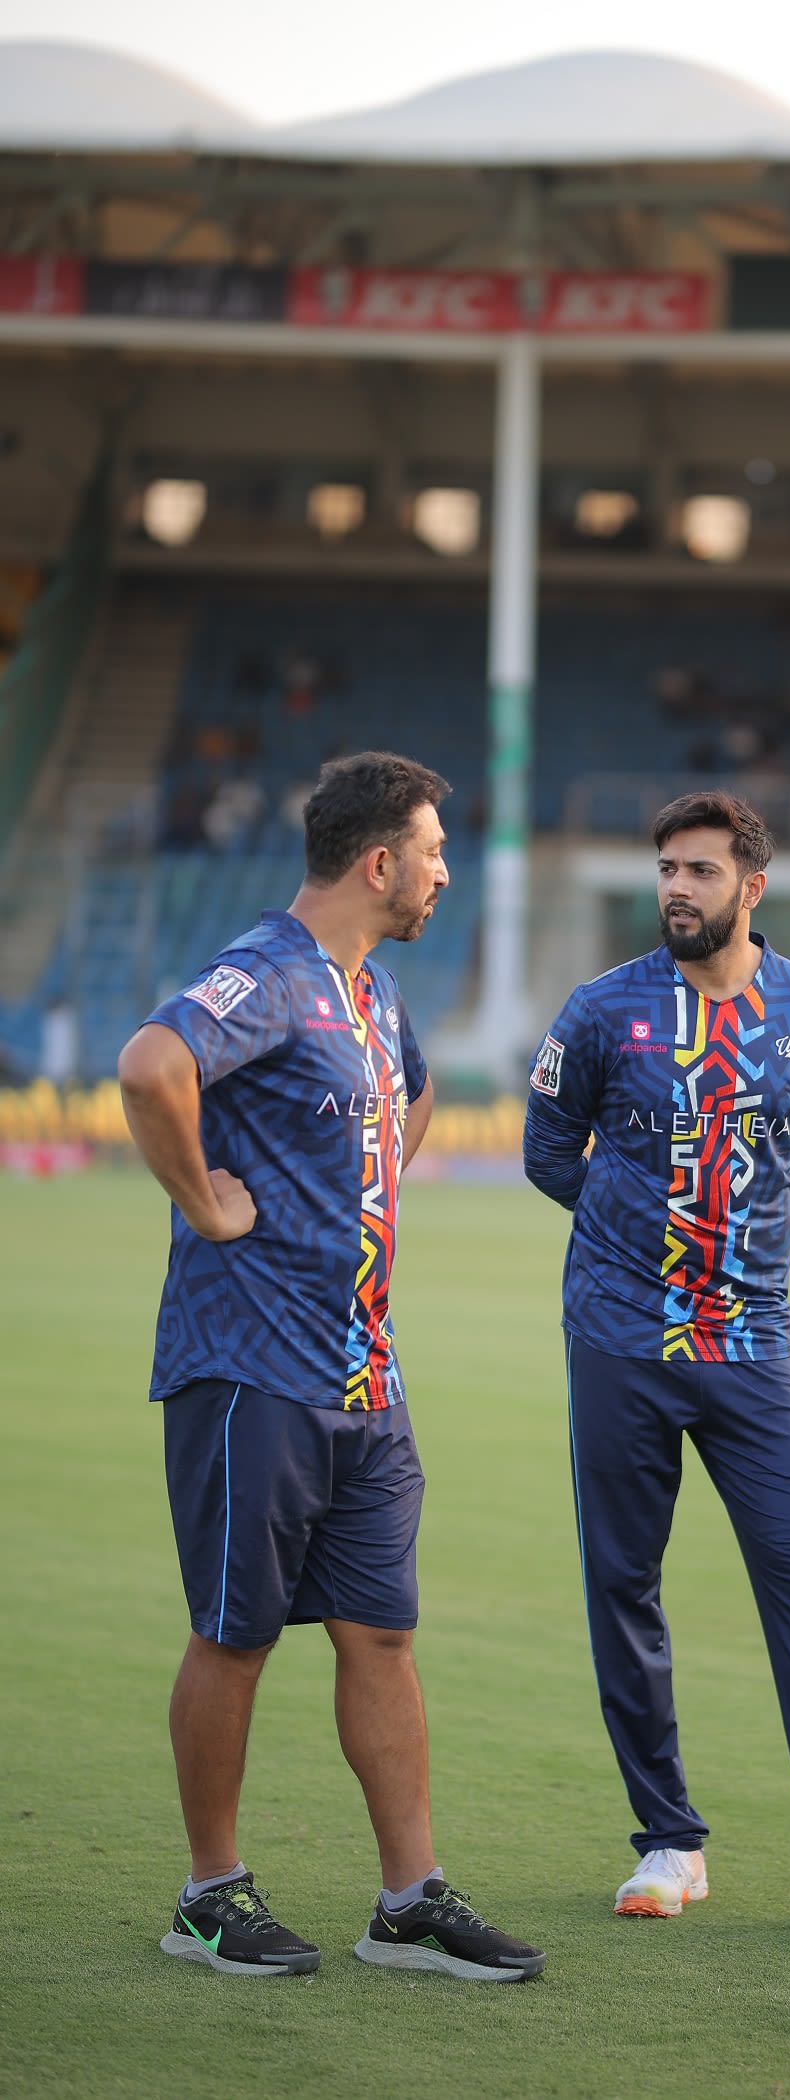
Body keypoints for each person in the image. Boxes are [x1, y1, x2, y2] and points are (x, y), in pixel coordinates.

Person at [118, 750, 544, 1986]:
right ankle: (208, 1896)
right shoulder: (269, 973)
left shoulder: (371, 992)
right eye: (431, 852)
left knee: (382, 1638)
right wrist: (205, 1204)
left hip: (363, 1376)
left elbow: (408, 1100)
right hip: (250, 1367)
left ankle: (407, 1902)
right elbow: (153, 1067)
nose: (442, 874)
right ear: (377, 862)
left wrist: (366, 1190)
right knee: (235, 1635)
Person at [522, 789, 790, 1946]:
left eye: (699, 872)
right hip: (617, 1337)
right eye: (665, 867)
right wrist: (640, 1244)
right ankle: (667, 1841)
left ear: (750, 887)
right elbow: (547, 1150)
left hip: (753, 1345)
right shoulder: (603, 1010)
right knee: (625, 1586)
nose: (675, 887)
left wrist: (732, 1253)